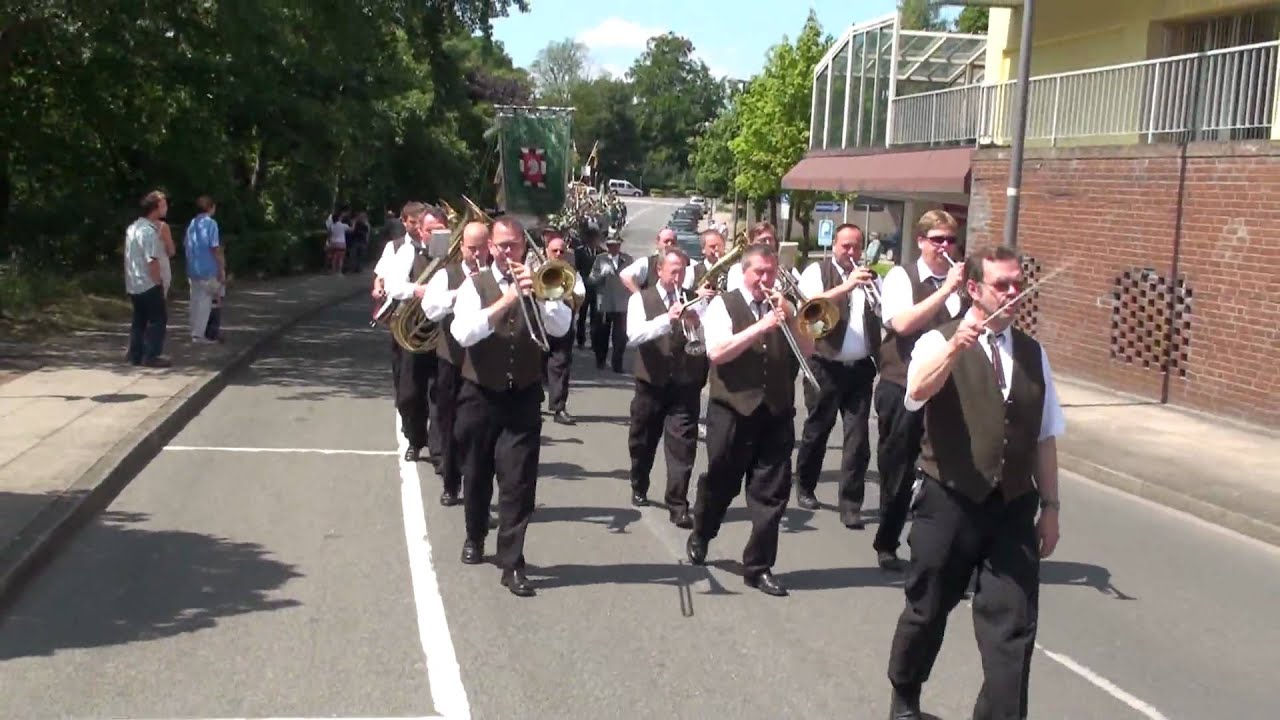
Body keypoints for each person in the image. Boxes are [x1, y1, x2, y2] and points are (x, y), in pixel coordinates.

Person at [885, 244, 1064, 720]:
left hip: (1012, 509)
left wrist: (1051, 506)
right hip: (950, 500)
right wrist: (953, 347)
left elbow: (1045, 436)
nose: (1012, 292)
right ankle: (905, 693)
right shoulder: (937, 340)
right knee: (927, 610)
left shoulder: (1033, 355)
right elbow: (916, 393)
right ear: (973, 289)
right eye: (1001, 284)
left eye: (1017, 283)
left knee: (1014, 627)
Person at [450, 216, 572, 597]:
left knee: (518, 482)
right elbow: (463, 332)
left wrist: (538, 295)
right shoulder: (475, 285)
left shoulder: (538, 283)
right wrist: (505, 300)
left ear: (524, 247)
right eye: (502, 246)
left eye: (515, 245)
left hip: (522, 395)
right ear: (490, 247)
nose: (508, 252)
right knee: (477, 473)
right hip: (479, 394)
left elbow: (561, 327)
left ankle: (512, 563)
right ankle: (474, 535)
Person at [686, 245, 810, 597]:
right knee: (721, 481)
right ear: (745, 272)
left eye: (772, 273)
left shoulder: (782, 306)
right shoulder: (724, 304)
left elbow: (809, 353)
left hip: (775, 411)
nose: (767, 280)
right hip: (732, 410)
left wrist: (793, 320)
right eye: (760, 273)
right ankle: (702, 531)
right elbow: (718, 352)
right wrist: (762, 326)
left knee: (772, 493)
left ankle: (759, 566)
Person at [873, 210, 968, 571]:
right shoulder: (901, 276)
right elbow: (901, 322)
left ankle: (932, 546)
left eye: (950, 240)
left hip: (946, 388)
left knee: (943, 471)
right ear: (921, 242)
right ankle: (887, 540)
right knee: (897, 469)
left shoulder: (963, 283)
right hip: (901, 385)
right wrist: (945, 289)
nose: (944, 247)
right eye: (937, 240)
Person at [792, 224, 882, 529]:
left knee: (858, 440)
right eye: (846, 246)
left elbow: (882, 313)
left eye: (857, 246)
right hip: (824, 364)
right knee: (818, 429)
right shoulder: (817, 271)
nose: (851, 252)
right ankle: (804, 484)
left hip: (859, 368)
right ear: (834, 247)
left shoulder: (871, 277)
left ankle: (851, 505)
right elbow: (809, 312)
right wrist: (846, 287)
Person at [624, 247, 713, 528]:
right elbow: (634, 335)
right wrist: (667, 319)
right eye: (673, 270)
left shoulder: (694, 299)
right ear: (659, 271)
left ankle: (678, 504)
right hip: (651, 383)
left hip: (685, 385)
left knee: (683, 447)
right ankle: (639, 481)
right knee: (642, 441)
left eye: (683, 271)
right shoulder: (641, 299)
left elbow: (709, 339)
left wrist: (698, 324)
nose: (678, 276)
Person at [421, 221, 490, 506]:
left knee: (478, 429)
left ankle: (478, 488)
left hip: (484, 364)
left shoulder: (495, 277)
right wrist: (457, 294)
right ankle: (451, 483)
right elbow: (430, 309)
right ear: (461, 247)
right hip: (451, 360)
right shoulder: (445, 275)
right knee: (448, 423)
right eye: (471, 248)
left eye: (481, 248)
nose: (476, 254)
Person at [383, 202, 449, 464]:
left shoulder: (452, 256)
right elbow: (393, 286)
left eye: (442, 230)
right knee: (410, 394)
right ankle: (415, 438)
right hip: (413, 333)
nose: (436, 235)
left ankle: (439, 450)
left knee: (441, 392)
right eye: (431, 230)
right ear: (421, 231)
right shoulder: (407, 252)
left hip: (443, 333)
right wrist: (417, 291)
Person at [540, 229, 587, 425]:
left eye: (561, 251)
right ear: (546, 251)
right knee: (533, 368)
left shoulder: (572, 273)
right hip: (539, 325)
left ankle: (559, 408)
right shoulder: (536, 270)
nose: (558, 254)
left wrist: (559, 292)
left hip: (563, 326)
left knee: (560, 368)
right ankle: (533, 406)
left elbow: (579, 296)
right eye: (554, 251)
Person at [124, 190, 171, 368]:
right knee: (158, 319)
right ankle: (152, 355)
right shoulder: (150, 232)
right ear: (155, 208)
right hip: (148, 282)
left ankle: (136, 354)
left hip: (134, 282)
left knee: (139, 319)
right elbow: (152, 260)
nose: (166, 207)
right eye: (163, 204)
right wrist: (158, 281)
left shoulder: (133, 228)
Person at [586, 235, 633, 372]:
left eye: (616, 245)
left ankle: (617, 364)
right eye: (611, 245)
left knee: (620, 336)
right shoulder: (600, 259)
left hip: (622, 302)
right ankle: (600, 360)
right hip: (605, 303)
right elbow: (591, 280)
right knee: (602, 334)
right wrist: (601, 275)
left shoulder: (628, 259)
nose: (613, 247)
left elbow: (634, 278)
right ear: (607, 246)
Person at [184, 195, 224, 344]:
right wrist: (220, 267)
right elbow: (214, 247)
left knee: (194, 300)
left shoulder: (192, 224)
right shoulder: (211, 224)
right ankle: (199, 335)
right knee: (205, 302)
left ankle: (194, 331)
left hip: (193, 267)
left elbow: (187, 245)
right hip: (207, 268)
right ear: (210, 207)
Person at [620, 228, 678, 293]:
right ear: (657, 243)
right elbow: (625, 276)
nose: (669, 244)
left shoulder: (686, 264)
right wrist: (640, 297)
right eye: (666, 241)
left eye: (673, 242)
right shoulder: (646, 263)